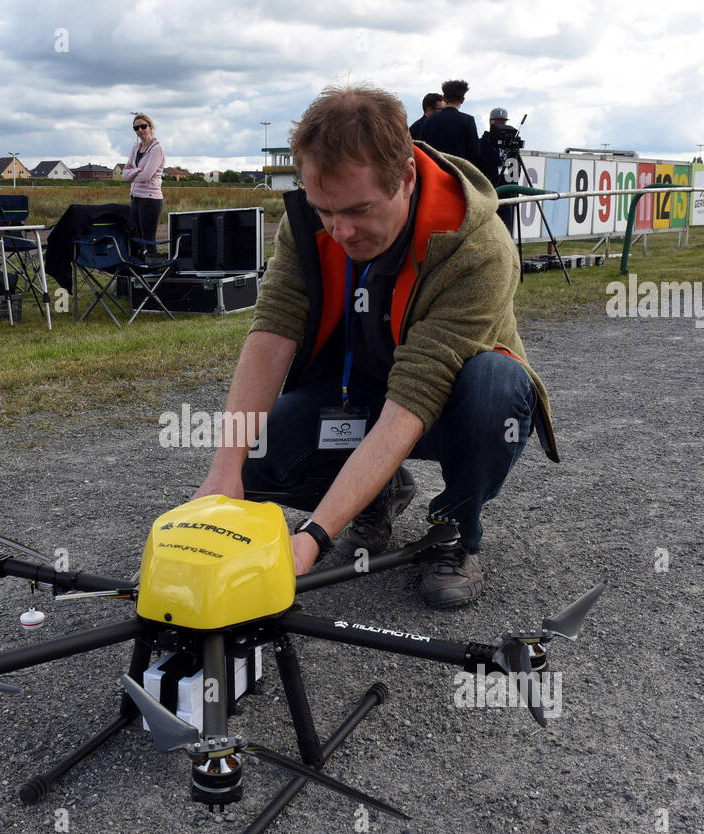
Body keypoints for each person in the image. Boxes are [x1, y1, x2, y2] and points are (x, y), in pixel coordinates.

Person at [193, 84, 558, 608]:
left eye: (359, 210)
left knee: (494, 388)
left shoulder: (477, 246)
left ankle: (454, 530)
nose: (340, 231)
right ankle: (376, 496)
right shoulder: (309, 224)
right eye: (325, 210)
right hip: (359, 393)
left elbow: (416, 395)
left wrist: (314, 536)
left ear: (406, 178)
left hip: (448, 406)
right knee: (256, 461)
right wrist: (223, 473)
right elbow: (271, 333)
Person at [415, 79, 487, 179]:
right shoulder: (468, 120)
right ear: (462, 100)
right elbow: (475, 153)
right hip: (460, 176)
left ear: (444, 98)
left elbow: (422, 151)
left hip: (435, 175)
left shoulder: (429, 121)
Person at [121, 113, 165, 243]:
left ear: (150, 127)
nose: (140, 130)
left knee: (148, 239)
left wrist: (132, 172)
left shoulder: (157, 149)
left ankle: (152, 263)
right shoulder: (136, 147)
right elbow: (124, 175)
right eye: (136, 128)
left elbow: (146, 176)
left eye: (143, 126)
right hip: (135, 197)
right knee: (137, 239)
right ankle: (140, 264)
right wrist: (137, 170)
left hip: (150, 199)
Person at [479, 106, 519, 232]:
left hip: (508, 195)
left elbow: (516, 171)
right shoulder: (482, 143)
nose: (500, 125)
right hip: (489, 193)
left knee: (507, 231)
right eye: (497, 122)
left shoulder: (511, 145)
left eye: (503, 122)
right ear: (490, 122)